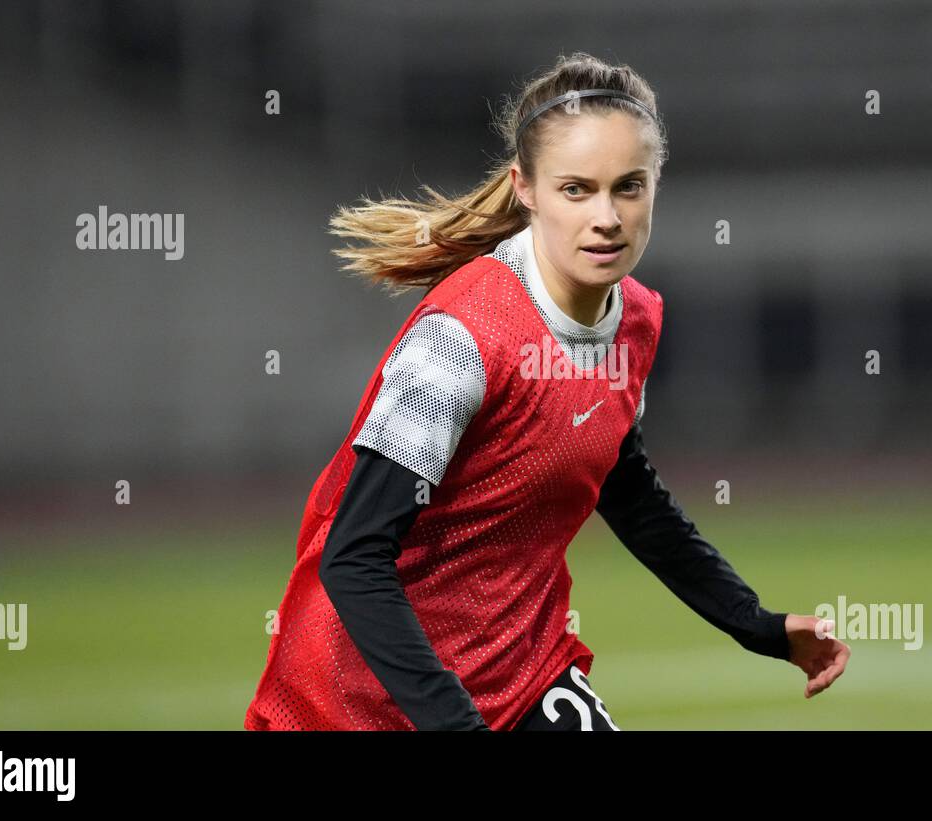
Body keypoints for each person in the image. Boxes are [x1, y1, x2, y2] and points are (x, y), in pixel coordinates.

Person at [244, 52, 850, 732]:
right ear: (525, 188)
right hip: (362, 700)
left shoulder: (636, 321)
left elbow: (628, 493)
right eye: (576, 189)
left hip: (522, 674)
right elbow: (353, 558)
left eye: (629, 187)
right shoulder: (461, 339)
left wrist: (758, 625)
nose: (608, 217)